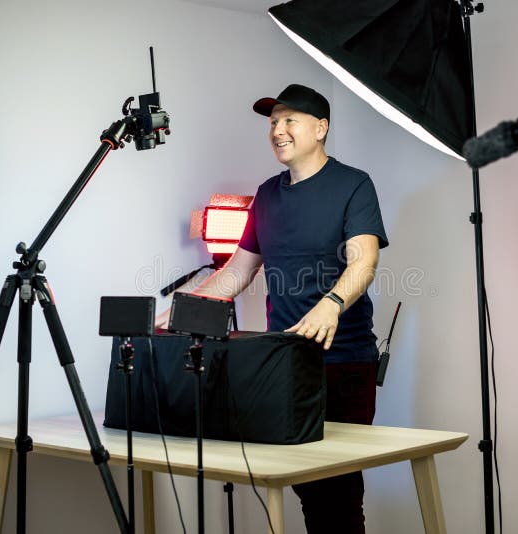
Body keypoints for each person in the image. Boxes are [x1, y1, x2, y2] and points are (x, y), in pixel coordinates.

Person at [156, 84, 388, 533]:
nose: (277, 131)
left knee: (339, 491)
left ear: (320, 128)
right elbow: (237, 273)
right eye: (272, 123)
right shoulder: (266, 194)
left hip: (344, 363)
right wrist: (187, 307)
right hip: (284, 362)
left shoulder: (353, 184)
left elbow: (366, 260)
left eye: (289, 120)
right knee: (303, 484)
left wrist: (332, 304)